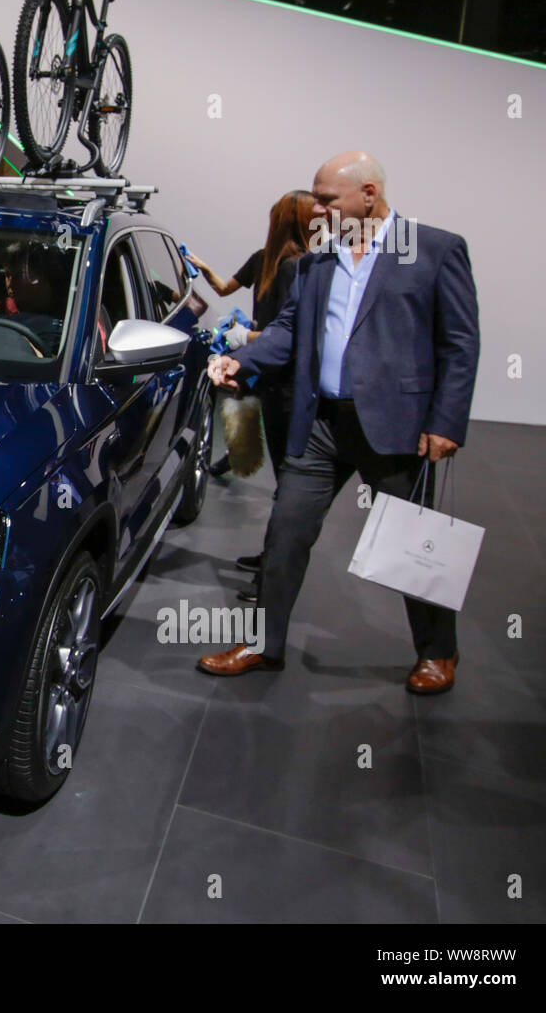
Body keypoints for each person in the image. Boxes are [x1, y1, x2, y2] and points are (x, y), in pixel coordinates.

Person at [201, 151, 479, 695]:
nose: (319, 208)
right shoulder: (315, 263)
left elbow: (460, 344)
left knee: (410, 545)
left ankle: (438, 653)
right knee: (285, 537)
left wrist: (446, 421)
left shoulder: (435, 250)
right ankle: (263, 644)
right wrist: (245, 360)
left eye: (328, 198)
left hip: (394, 428)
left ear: (369, 194)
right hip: (321, 424)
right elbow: (286, 329)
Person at [194, 191, 320, 594]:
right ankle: (271, 563)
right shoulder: (283, 264)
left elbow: (287, 333)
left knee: (288, 483)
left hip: (274, 375)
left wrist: (243, 335)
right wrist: (201, 268)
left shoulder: (284, 265)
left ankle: (274, 572)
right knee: (284, 477)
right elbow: (229, 290)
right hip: (275, 378)